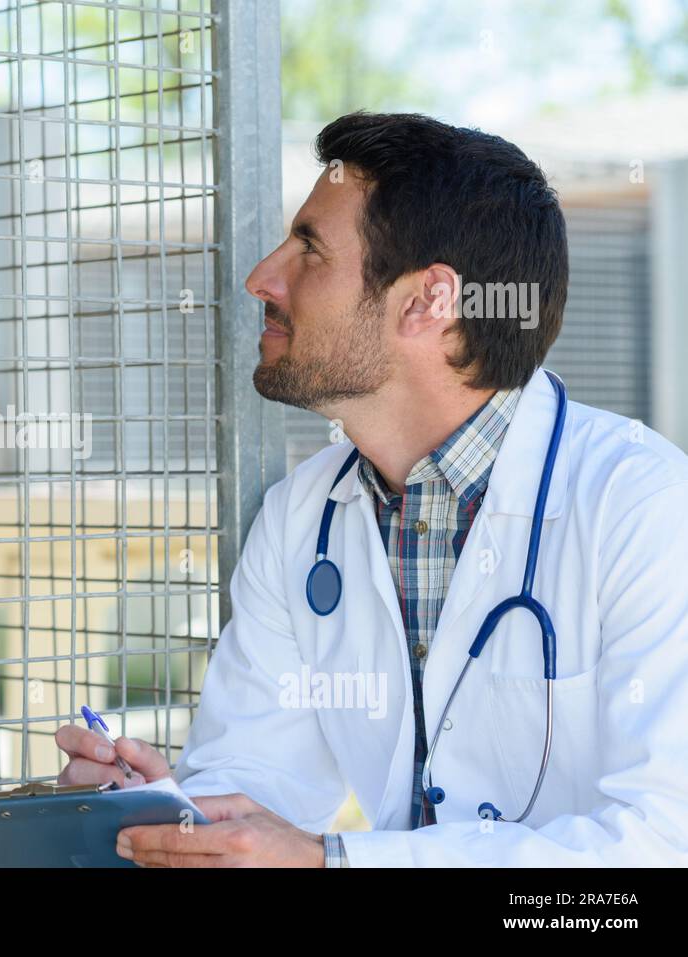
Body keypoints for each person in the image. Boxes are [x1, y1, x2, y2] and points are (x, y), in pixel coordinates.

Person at [56, 112, 688, 866]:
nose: (262, 277)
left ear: (426, 302)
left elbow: (659, 844)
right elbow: (260, 774)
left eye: (310, 250)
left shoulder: (645, 508)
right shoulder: (300, 517)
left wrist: (339, 862)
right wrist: (176, 814)